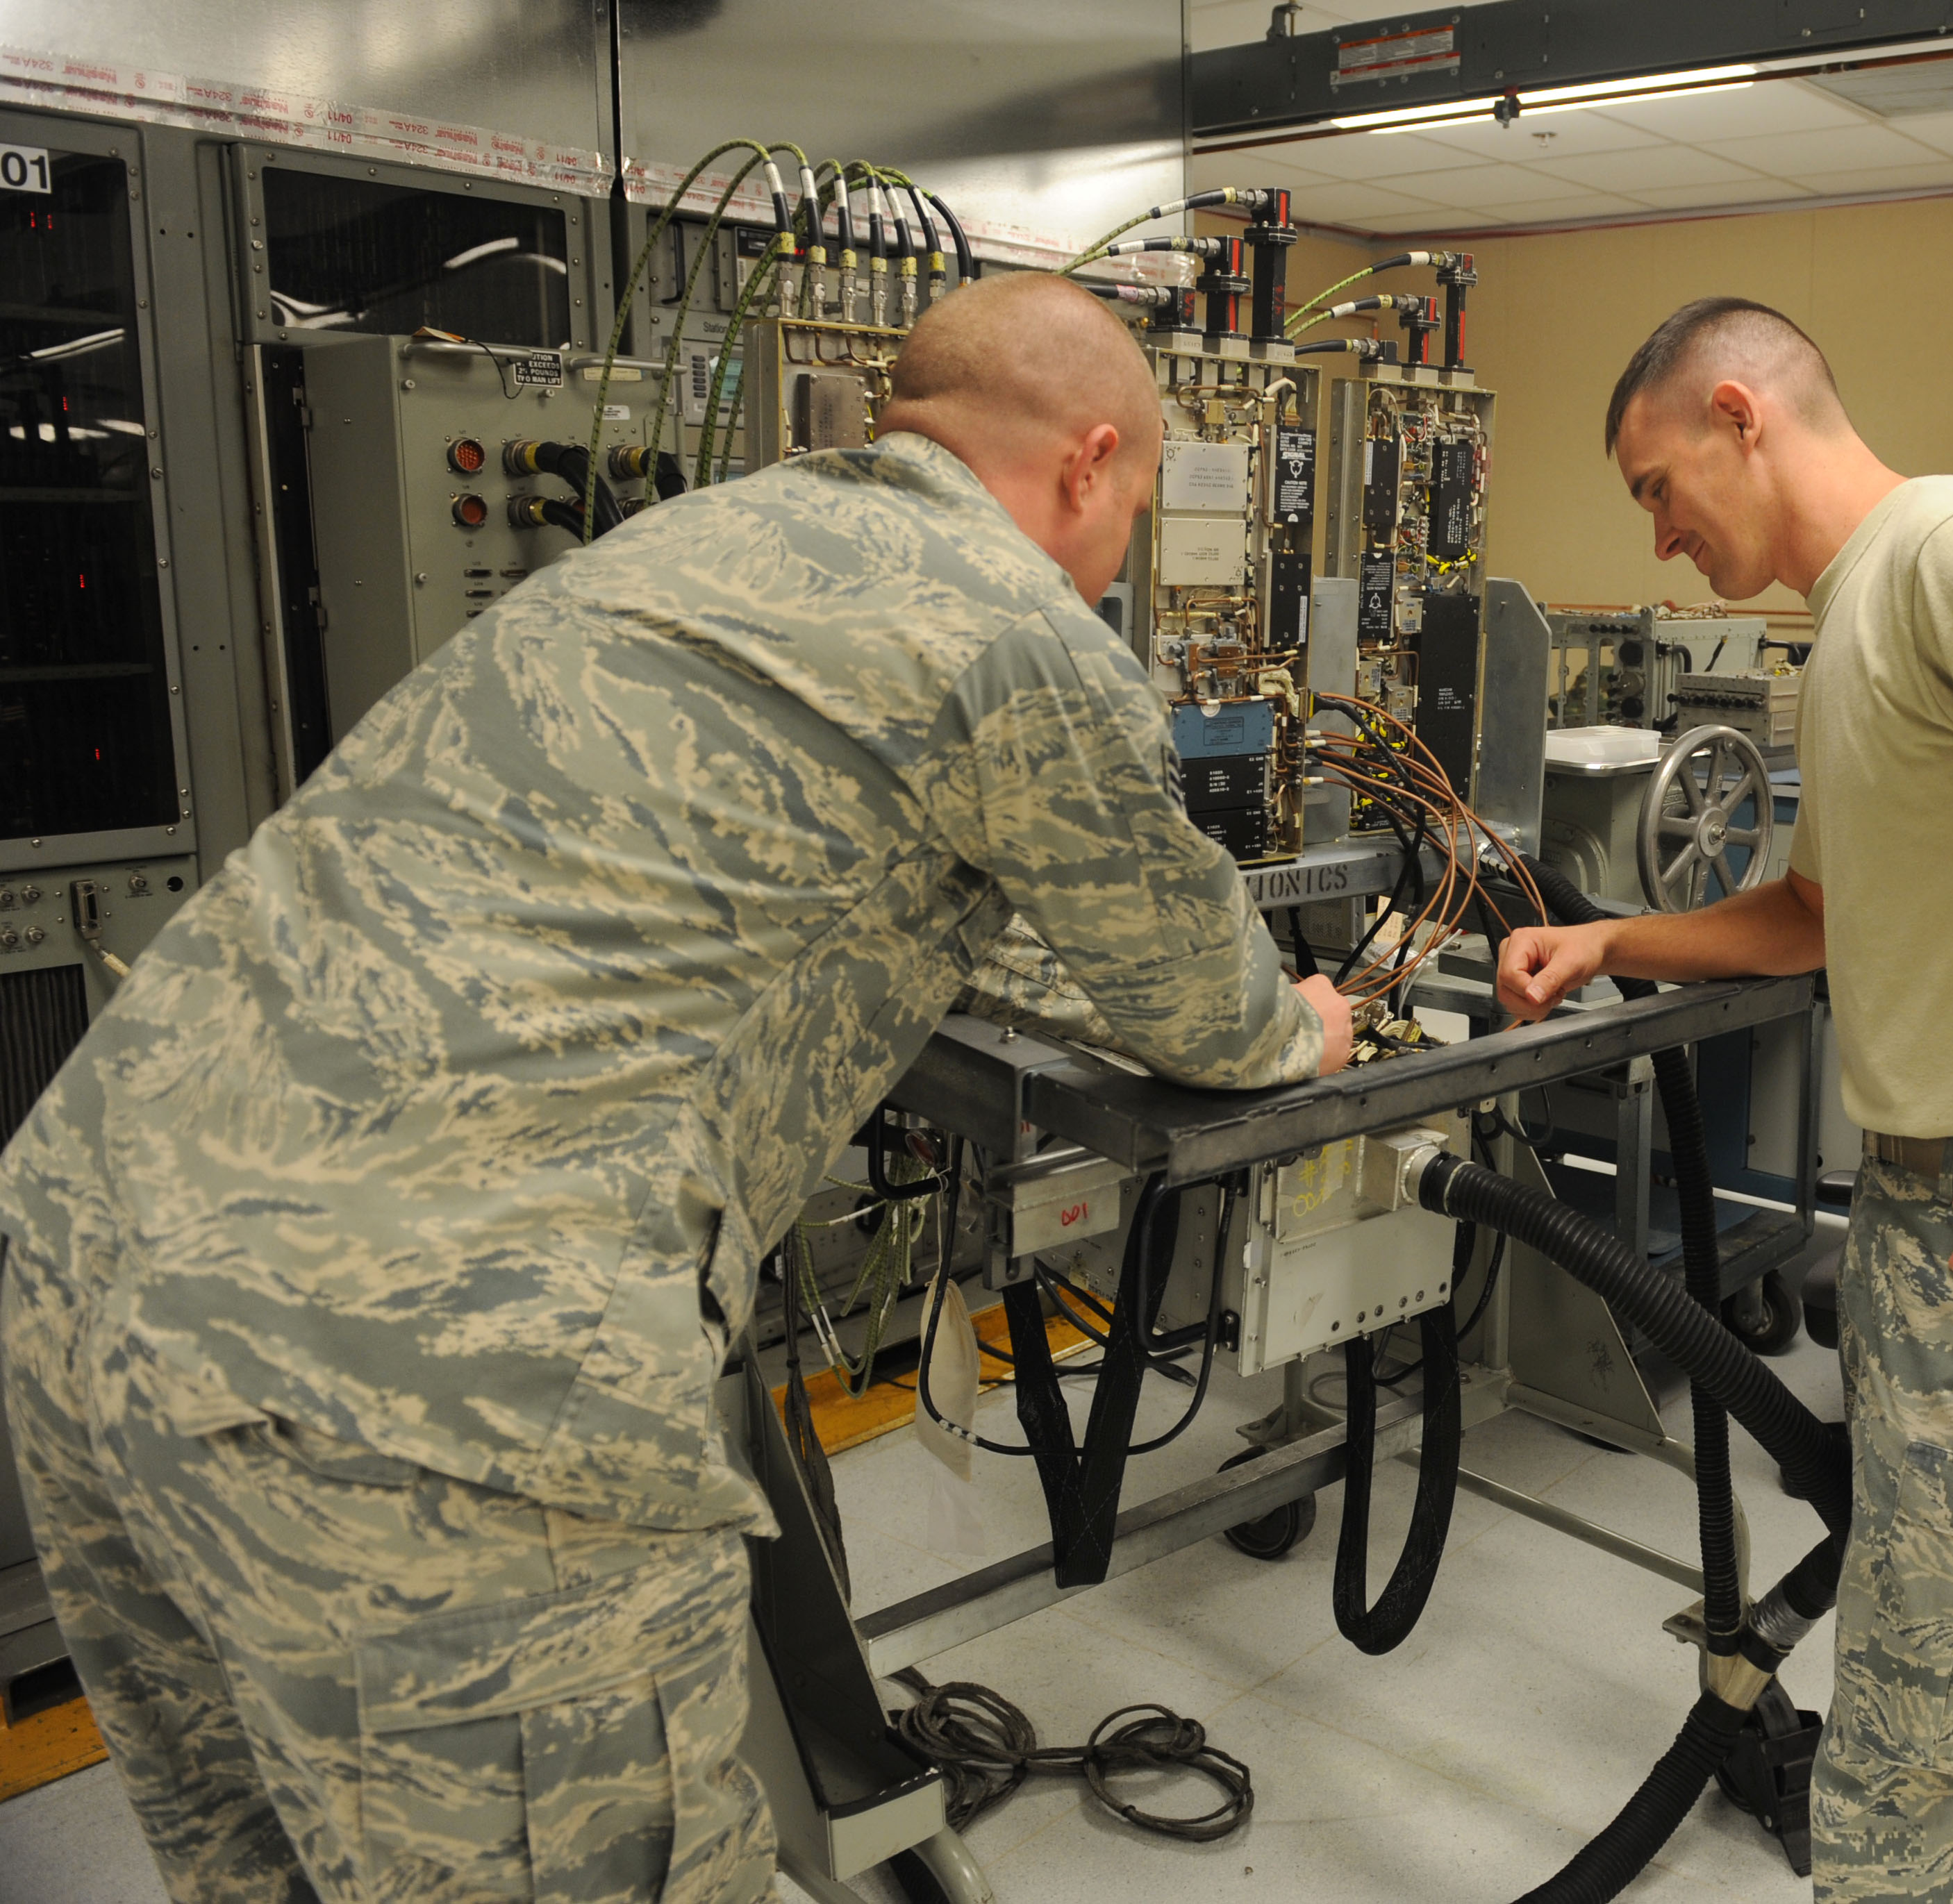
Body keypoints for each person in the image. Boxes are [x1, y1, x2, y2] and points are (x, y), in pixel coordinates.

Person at [0, 271, 1352, 1904]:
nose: (1117, 560)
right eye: (1130, 511)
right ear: (1088, 461)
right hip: (432, 1369)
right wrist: (1312, 1028)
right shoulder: (1021, 632)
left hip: (89, 1259)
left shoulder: (676, 556)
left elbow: (756, 872)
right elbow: (1211, 1008)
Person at [1498, 297, 1953, 1901]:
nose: (1662, 530)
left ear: (1742, 413)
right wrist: (1614, 936)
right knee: (1925, 1700)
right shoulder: (1853, 627)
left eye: (1653, 483)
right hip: (1934, 1225)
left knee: (1936, 1757)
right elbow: (1817, 916)